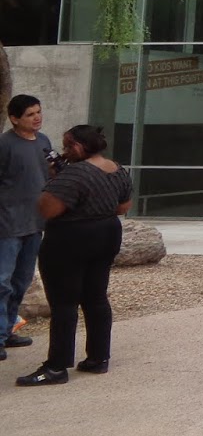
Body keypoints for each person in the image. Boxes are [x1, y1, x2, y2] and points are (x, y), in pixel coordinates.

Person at [15, 124, 131, 386]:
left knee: (64, 302)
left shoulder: (74, 174)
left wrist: (54, 179)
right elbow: (123, 206)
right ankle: (98, 357)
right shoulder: (117, 169)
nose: (65, 151)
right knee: (96, 297)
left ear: (80, 146)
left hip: (70, 239)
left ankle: (56, 366)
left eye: (68, 146)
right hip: (107, 233)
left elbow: (48, 209)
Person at [0, 93, 52, 362]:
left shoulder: (43, 142)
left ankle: (8, 329)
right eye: (30, 114)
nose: (37, 118)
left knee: (21, 281)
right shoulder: (5, 145)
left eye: (38, 112)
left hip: (35, 224)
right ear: (14, 118)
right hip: (7, 225)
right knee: (2, 282)